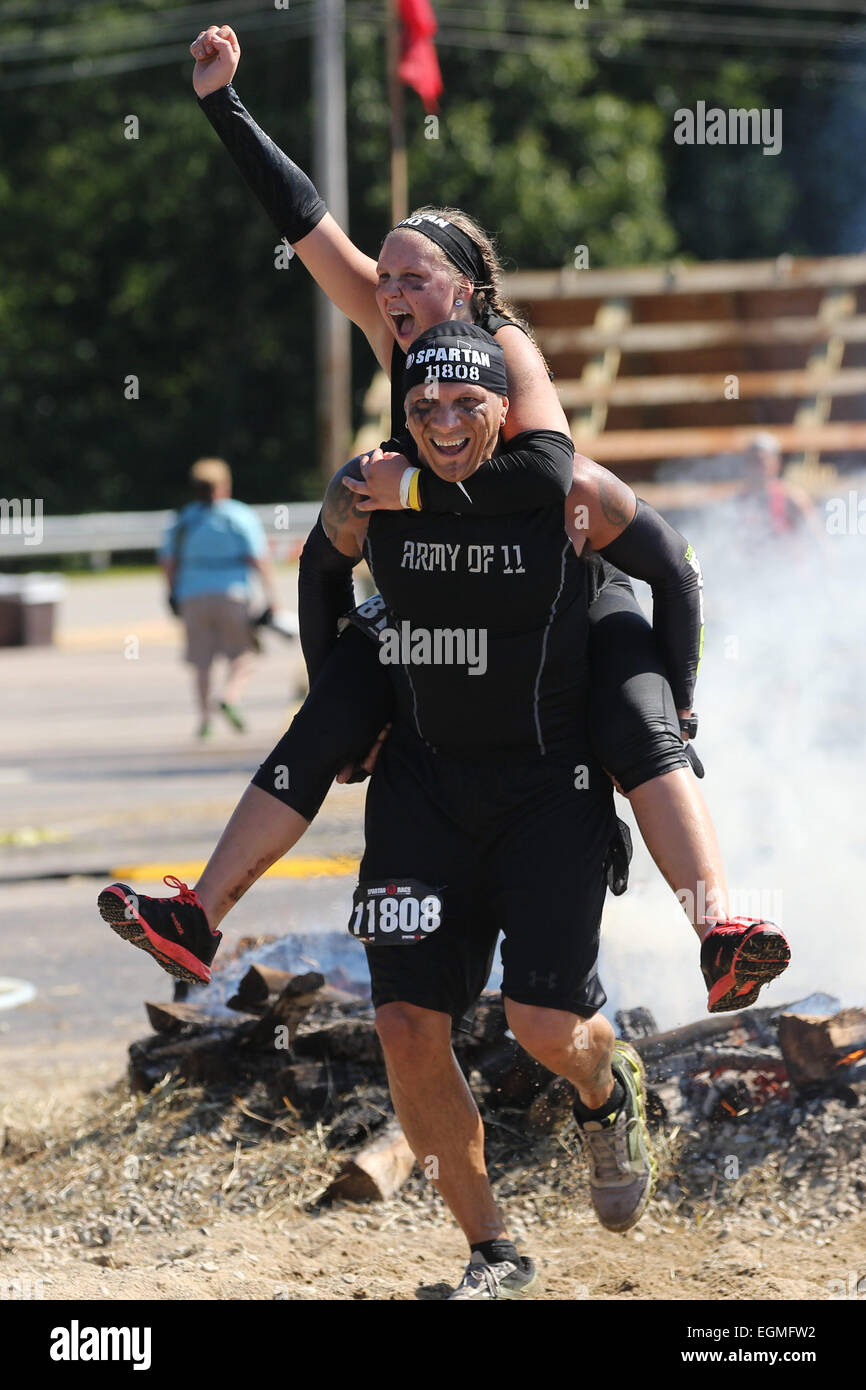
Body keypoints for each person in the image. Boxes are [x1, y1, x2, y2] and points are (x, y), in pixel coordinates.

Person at [158, 22, 789, 1012]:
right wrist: (221, 103)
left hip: (564, 574)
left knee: (635, 721)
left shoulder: (504, 348)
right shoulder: (394, 326)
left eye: (412, 277)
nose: (389, 290)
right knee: (333, 708)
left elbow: (544, 469)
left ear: (467, 287)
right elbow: (301, 218)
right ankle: (196, 915)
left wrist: (407, 490)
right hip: (452, 588)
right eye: (388, 276)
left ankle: (719, 930)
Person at [110, 323, 717, 1295]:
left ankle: (609, 1085)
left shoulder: (558, 492)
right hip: (421, 796)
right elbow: (319, 568)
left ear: (504, 410)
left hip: (547, 792)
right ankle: (493, 1252)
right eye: (421, 405)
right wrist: (343, 704)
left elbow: (673, 564)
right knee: (403, 1025)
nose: (440, 421)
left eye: (463, 404)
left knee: (539, 1025)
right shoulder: (371, 489)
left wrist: (673, 700)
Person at [161, 457, 278, 737]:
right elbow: (258, 558)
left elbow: (168, 561)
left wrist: (172, 593)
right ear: (224, 486)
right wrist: (271, 596)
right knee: (244, 653)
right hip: (232, 593)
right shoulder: (239, 516)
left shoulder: (183, 520)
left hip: (192, 593)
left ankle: (204, 720)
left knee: (201, 662)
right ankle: (230, 696)